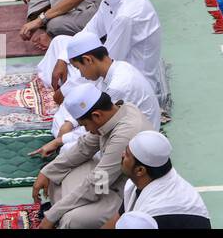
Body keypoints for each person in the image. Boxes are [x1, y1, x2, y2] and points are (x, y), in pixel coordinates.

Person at [32, 85, 151, 229]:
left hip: (125, 196)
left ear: (96, 115)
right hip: (106, 183)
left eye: (85, 125)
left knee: (71, 220)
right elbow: (84, 147)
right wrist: (46, 171)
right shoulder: (117, 112)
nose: (86, 130)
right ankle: (64, 210)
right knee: (54, 178)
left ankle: (63, 213)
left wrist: (52, 214)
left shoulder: (125, 133)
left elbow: (97, 183)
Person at [116, 130, 211, 229]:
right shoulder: (144, 183)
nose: (122, 155)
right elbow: (116, 220)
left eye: (127, 154)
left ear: (140, 170)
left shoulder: (156, 214)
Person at [64, 33, 160, 130]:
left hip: (140, 138)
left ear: (88, 60)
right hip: (132, 128)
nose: (81, 74)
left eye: (78, 68)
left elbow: (97, 128)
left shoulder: (117, 87)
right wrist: (71, 122)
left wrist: (61, 139)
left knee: (69, 142)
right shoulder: (119, 66)